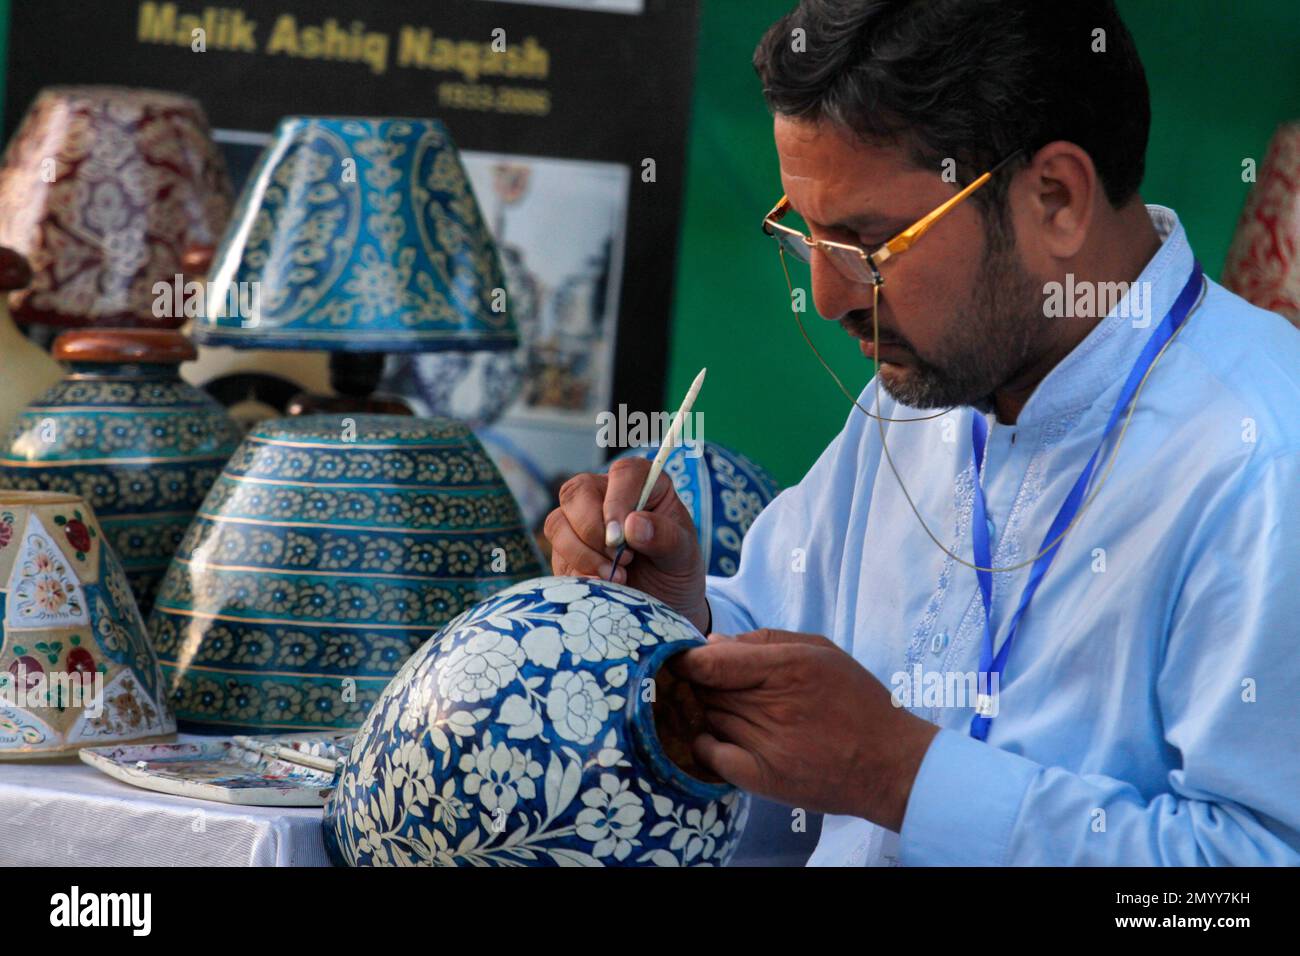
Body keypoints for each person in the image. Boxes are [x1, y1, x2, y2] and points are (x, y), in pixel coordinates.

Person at [544, 0, 1300, 865]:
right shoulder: (918, 398)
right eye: (805, 234)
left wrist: (901, 777)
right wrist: (677, 615)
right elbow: (786, 673)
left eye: (869, 243)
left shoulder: (1265, 460)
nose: (828, 298)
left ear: (1055, 198)